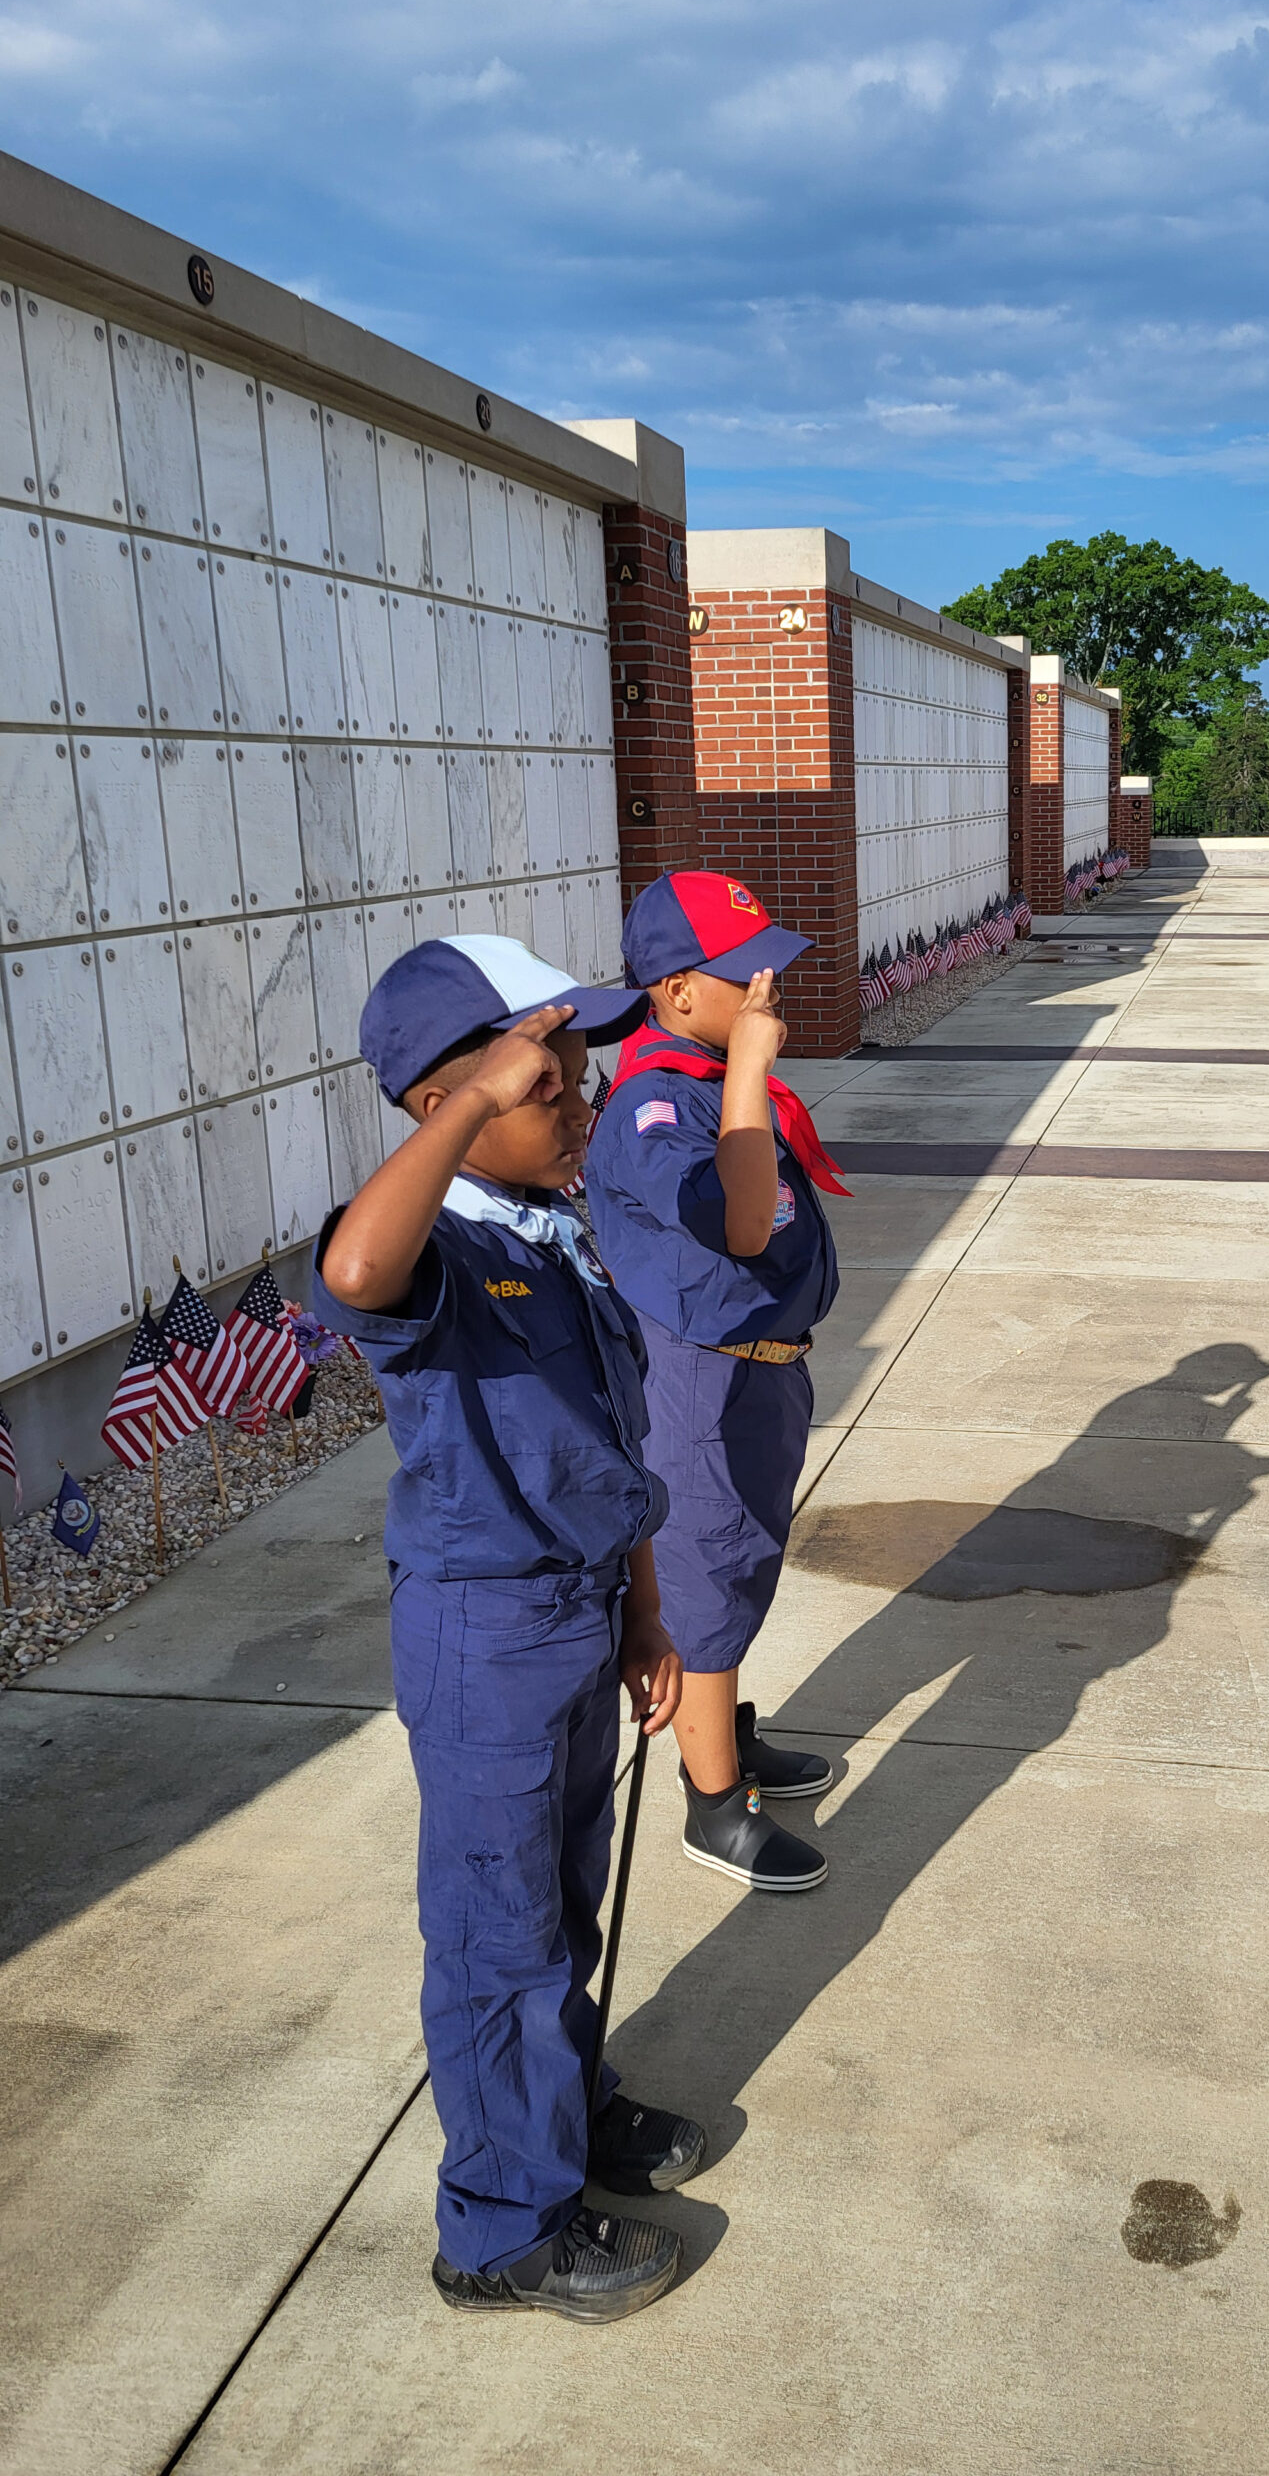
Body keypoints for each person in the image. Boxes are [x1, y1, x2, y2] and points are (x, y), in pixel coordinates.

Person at [313, 932, 705, 2326]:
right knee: (499, 1939)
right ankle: (500, 2227)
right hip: (487, 1636)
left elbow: (614, 1445)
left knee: (561, 1906)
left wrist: (648, 1613)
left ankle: (568, 2114)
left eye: (579, 1071)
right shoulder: (440, 1258)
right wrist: (484, 1100)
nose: (582, 1098)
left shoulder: (554, 1235)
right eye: (552, 1082)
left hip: (579, 1617)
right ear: (447, 1106)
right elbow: (357, 1273)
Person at [587, 871, 847, 1894]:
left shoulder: (702, 1080)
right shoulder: (659, 1104)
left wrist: (739, 1072)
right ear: (677, 990)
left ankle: (724, 1725)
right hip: (702, 1386)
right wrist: (746, 1072)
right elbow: (740, 1222)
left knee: (743, 1562)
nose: (768, 988)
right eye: (745, 976)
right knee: (703, 1575)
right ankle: (711, 1800)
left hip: (760, 1375)